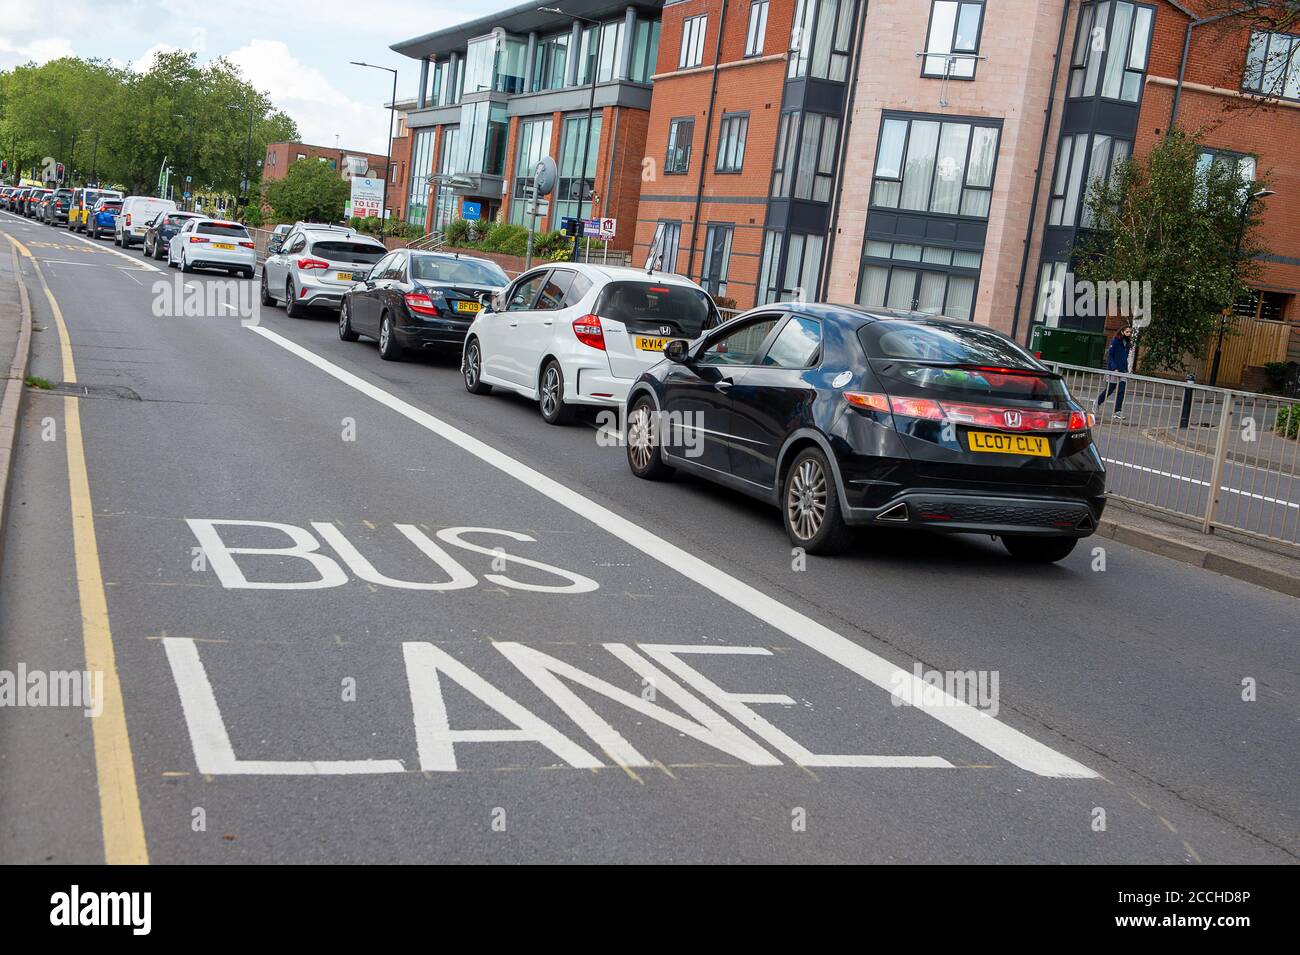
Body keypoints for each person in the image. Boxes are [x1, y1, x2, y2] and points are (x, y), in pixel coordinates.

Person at [1096, 324, 1132, 420]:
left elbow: (1125, 357)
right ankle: (1097, 402)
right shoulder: (1115, 341)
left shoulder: (1128, 343)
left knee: (1121, 390)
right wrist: (1114, 367)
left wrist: (1126, 369)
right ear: (1122, 332)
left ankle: (1117, 411)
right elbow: (1110, 356)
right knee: (1110, 389)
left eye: (1130, 332)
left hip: (1123, 370)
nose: (1129, 334)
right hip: (1113, 369)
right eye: (1127, 332)